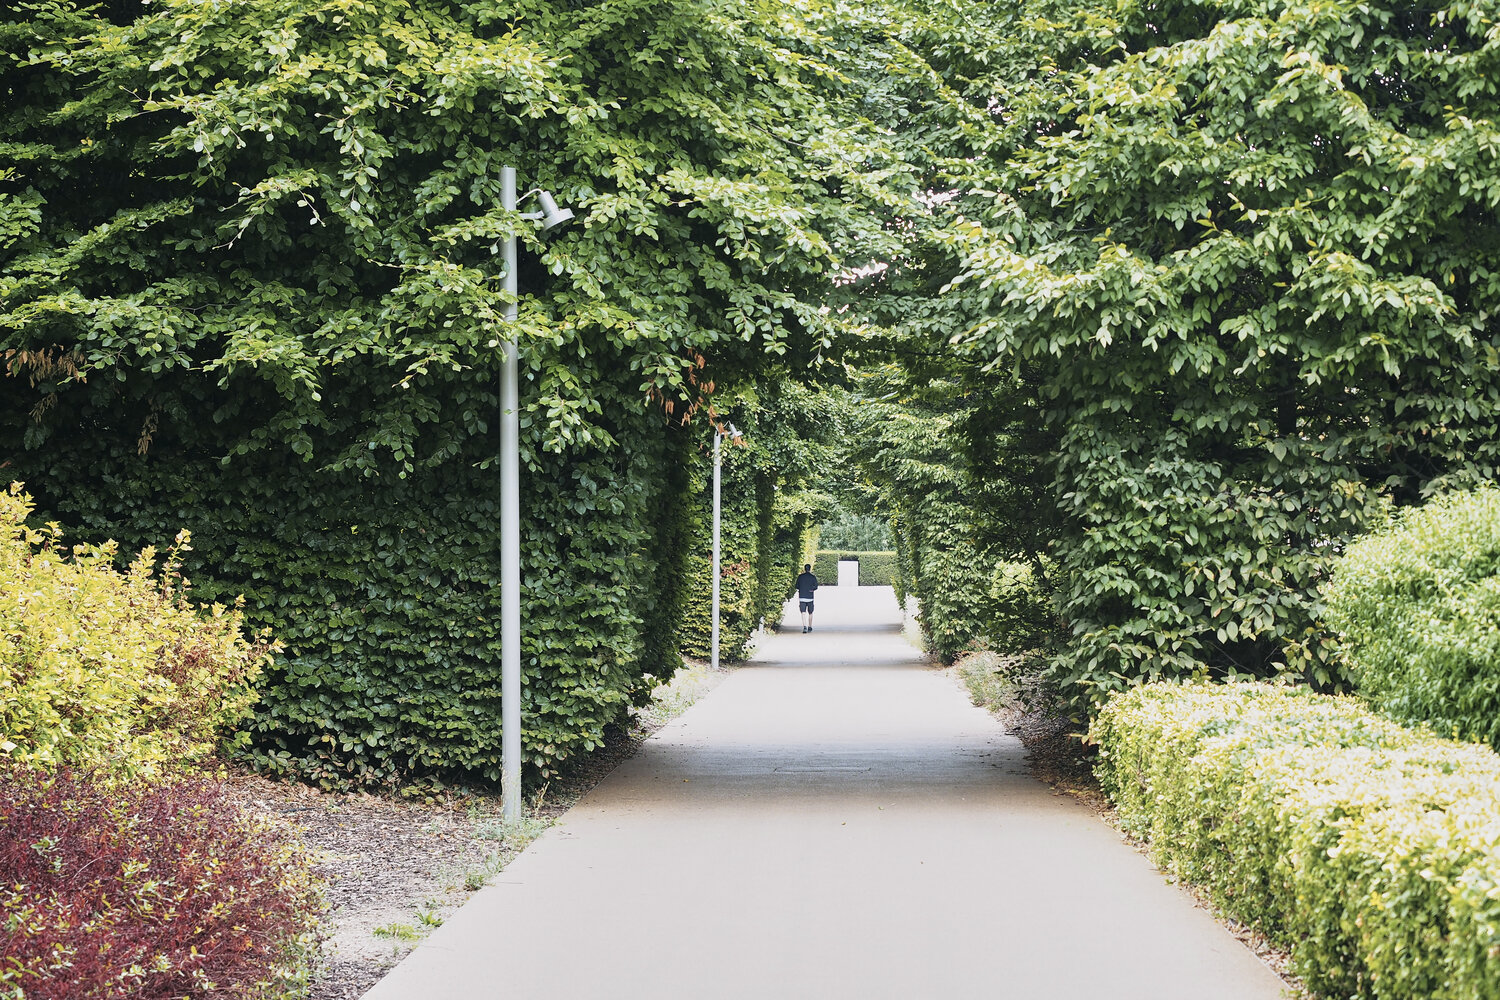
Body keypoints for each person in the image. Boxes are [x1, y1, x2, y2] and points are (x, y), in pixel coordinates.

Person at [794, 563, 819, 633]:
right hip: (810, 597)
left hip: (802, 597)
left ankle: (804, 626)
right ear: (810, 569)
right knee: (810, 612)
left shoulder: (800, 577)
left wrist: (801, 588)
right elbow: (816, 586)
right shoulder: (813, 577)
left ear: (804, 569)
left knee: (803, 612)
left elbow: (796, 586)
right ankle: (810, 626)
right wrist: (812, 589)